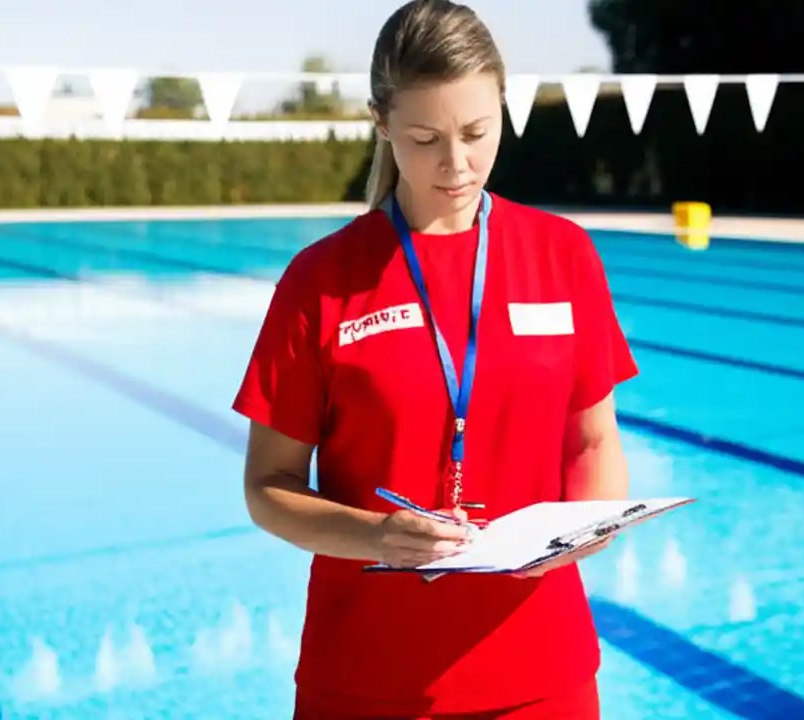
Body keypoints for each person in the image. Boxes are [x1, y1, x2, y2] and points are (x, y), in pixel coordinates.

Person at [231, 1, 638, 717]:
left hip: (542, 670)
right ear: (381, 124)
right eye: (425, 138)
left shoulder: (562, 255)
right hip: (366, 678)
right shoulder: (323, 280)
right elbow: (269, 486)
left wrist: (590, 528)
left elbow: (594, 436)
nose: (458, 164)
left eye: (478, 133)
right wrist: (376, 535)